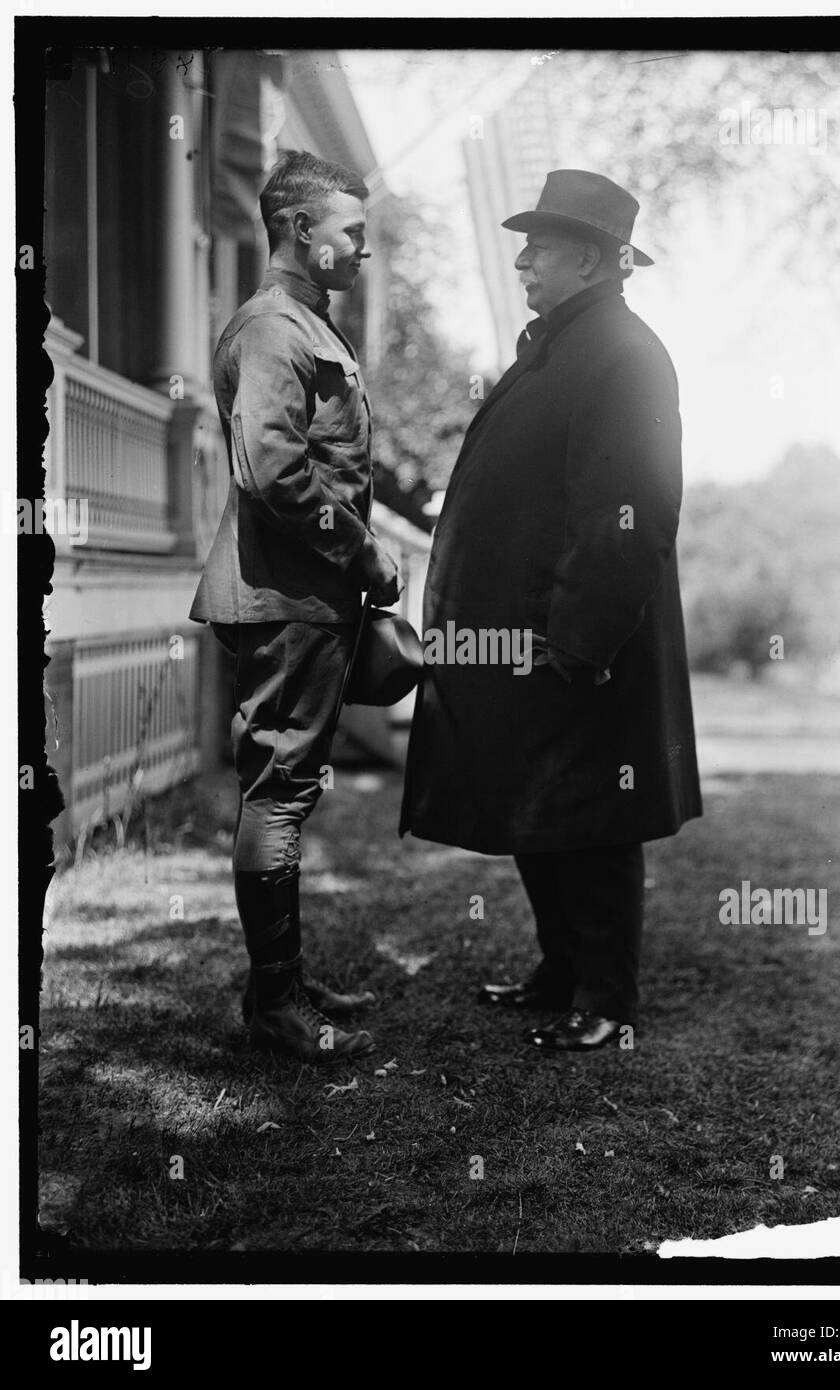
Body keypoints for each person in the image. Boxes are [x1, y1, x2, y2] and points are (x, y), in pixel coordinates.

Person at [400, 169, 702, 1051]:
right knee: (538, 807)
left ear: (593, 259)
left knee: (595, 818)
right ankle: (561, 970)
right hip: (519, 638)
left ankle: (608, 999)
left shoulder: (625, 353)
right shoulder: (561, 345)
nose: (524, 260)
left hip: (575, 637)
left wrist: (581, 638)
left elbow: (632, 507)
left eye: (540, 246)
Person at [190, 151, 400, 1063]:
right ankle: (274, 1008)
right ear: (301, 234)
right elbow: (273, 471)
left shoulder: (306, 322)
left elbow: (321, 462)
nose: (361, 249)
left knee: (290, 791)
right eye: (350, 233)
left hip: (306, 592)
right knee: (278, 795)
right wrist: (363, 551)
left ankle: (283, 983)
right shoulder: (275, 330)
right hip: (287, 595)